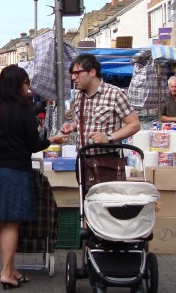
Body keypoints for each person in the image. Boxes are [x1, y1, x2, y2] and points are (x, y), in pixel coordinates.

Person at [0, 66, 66, 289]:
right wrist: (52, 139)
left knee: (5, 223)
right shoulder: (24, 111)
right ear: (18, 84)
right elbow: (34, 145)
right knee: (12, 224)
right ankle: (6, 273)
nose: (28, 87)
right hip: (16, 172)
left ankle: (10, 268)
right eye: (25, 83)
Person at [60, 53, 141, 191]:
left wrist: (109, 138)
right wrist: (72, 126)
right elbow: (81, 120)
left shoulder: (115, 94)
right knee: (87, 204)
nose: (73, 78)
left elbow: (134, 124)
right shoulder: (79, 95)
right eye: (72, 74)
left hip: (107, 161)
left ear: (92, 72)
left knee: (108, 206)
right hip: (83, 160)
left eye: (77, 73)